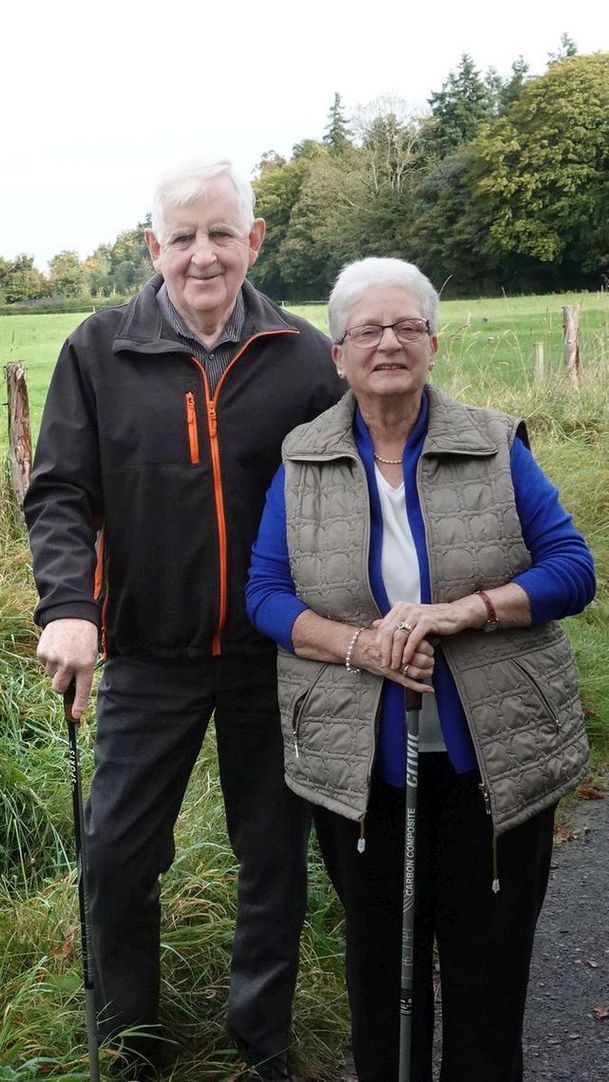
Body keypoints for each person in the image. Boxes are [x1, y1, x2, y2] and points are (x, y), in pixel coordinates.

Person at [23, 157, 344, 1080]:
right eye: (180, 237)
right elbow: (58, 495)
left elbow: (361, 478)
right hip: (149, 654)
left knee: (271, 857)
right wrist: (71, 609)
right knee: (117, 857)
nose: (201, 256)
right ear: (151, 247)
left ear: (252, 241)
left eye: (219, 235)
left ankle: (263, 1042)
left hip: (273, 652)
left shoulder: (301, 354)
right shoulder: (98, 349)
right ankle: (127, 1043)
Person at [245, 257, 596, 1081]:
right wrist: (358, 645)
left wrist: (461, 611)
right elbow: (263, 594)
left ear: (433, 343)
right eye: (367, 329)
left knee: (486, 980)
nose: (388, 342)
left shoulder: (494, 441)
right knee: (380, 985)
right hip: (362, 768)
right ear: (337, 355)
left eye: (407, 326)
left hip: (493, 765)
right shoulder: (301, 458)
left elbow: (571, 569)